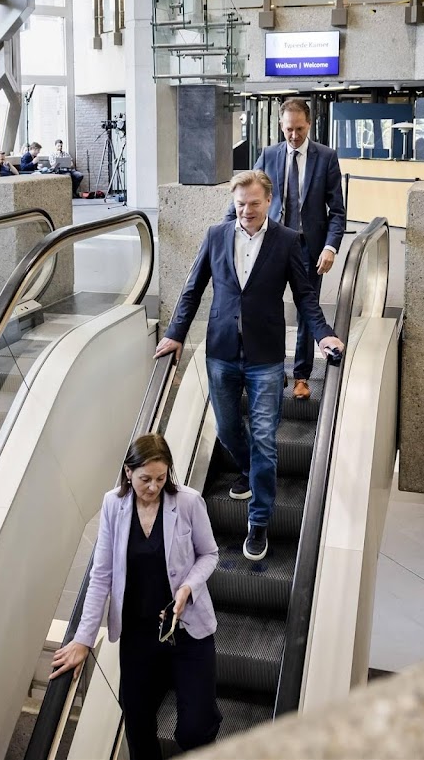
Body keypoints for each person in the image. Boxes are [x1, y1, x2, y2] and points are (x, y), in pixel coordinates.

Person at [157, 170, 345, 561]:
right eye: (240, 203)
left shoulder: (289, 241)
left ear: (269, 201)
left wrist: (323, 333)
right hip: (221, 351)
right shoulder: (216, 235)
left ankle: (258, 521)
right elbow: (192, 289)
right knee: (227, 429)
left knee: (264, 438)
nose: (246, 211)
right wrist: (175, 333)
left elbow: (306, 297)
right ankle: (247, 469)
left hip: (265, 357)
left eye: (254, 203)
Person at [50, 434, 221, 760]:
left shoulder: (187, 501)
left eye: (161, 478)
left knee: (196, 728)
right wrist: (84, 639)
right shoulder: (114, 504)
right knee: (138, 725)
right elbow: (101, 575)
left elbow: (209, 554)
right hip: (138, 633)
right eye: (145, 479)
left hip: (188, 631)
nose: (154, 487)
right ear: (128, 472)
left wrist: (187, 588)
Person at [225, 98, 345, 401]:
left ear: (310, 124)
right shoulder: (268, 155)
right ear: (281, 126)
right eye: (289, 129)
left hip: (310, 248)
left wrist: (330, 246)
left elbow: (338, 211)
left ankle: (302, 376)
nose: (294, 135)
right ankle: (272, 369)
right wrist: (225, 233)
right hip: (272, 244)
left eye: (300, 129)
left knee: (307, 310)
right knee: (266, 309)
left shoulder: (326, 157)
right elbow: (242, 196)